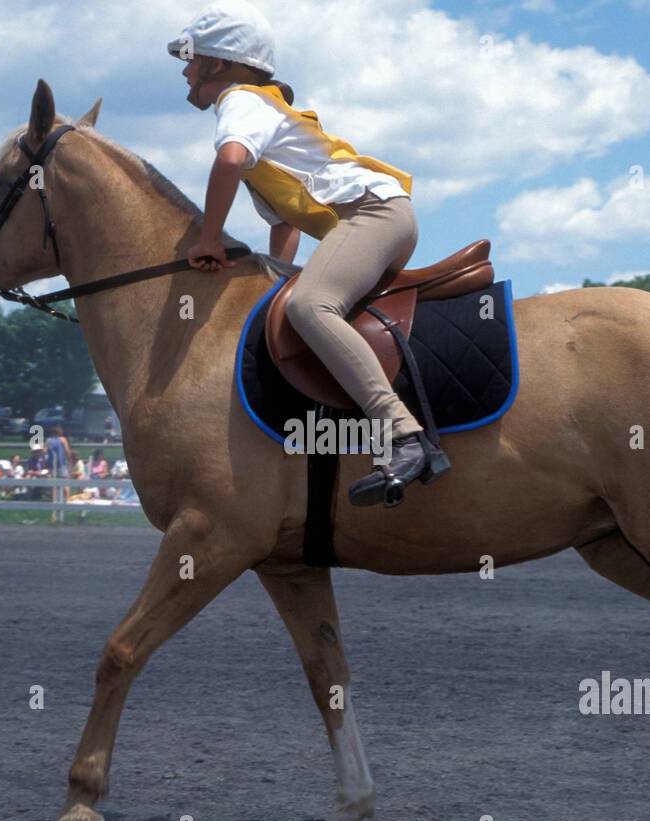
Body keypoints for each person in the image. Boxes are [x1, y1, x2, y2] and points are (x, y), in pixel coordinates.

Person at [168, 0, 447, 508]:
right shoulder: (265, 114)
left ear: (217, 63)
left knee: (310, 306)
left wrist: (208, 239)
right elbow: (285, 223)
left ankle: (402, 434)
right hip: (382, 215)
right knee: (297, 299)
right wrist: (279, 274)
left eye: (190, 60)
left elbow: (229, 160)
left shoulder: (241, 100)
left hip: (373, 214)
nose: (185, 72)